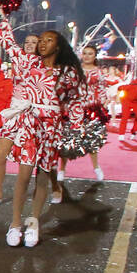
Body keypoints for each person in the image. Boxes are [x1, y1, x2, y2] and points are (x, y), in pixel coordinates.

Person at [0, 23, 79, 247]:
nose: (42, 43)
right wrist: (1, 19)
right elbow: (9, 44)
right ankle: (14, 224)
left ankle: (33, 223)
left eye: (48, 40)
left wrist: (75, 129)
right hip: (30, 124)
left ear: (58, 46)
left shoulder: (67, 72)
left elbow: (74, 102)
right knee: (23, 175)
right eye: (40, 40)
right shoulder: (27, 61)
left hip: (51, 128)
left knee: (42, 177)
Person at [0, 34, 40, 206]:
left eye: (34, 42)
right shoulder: (18, 57)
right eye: (27, 42)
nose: (30, 45)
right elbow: (7, 39)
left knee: (35, 161)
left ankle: (52, 188)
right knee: (1, 155)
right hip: (14, 113)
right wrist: (1, 17)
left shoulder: (45, 63)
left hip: (33, 116)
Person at [57, 44, 108, 185]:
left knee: (92, 140)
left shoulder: (99, 72)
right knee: (68, 139)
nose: (86, 56)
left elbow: (102, 90)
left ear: (95, 56)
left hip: (92, 108)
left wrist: (103, 104)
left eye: (90, 53)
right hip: (74, 108)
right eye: (84, 53)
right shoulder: (74, 70)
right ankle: (61, 169)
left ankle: (96, 168)